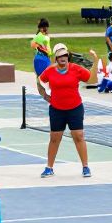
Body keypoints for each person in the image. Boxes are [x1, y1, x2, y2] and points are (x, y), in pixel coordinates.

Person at [35, 43, 92, 179]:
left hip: (75, 108)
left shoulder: (76, 69)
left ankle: (85, 166)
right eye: (60, 56)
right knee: (55, 138)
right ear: (56, 58)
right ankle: (49, 168)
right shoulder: (50, 71)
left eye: (65, 55)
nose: (63, 58)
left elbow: (90, 79)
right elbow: (39, 82)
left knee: (78, 135)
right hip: (56, 109)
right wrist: (45, 96)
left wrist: (95, 63)